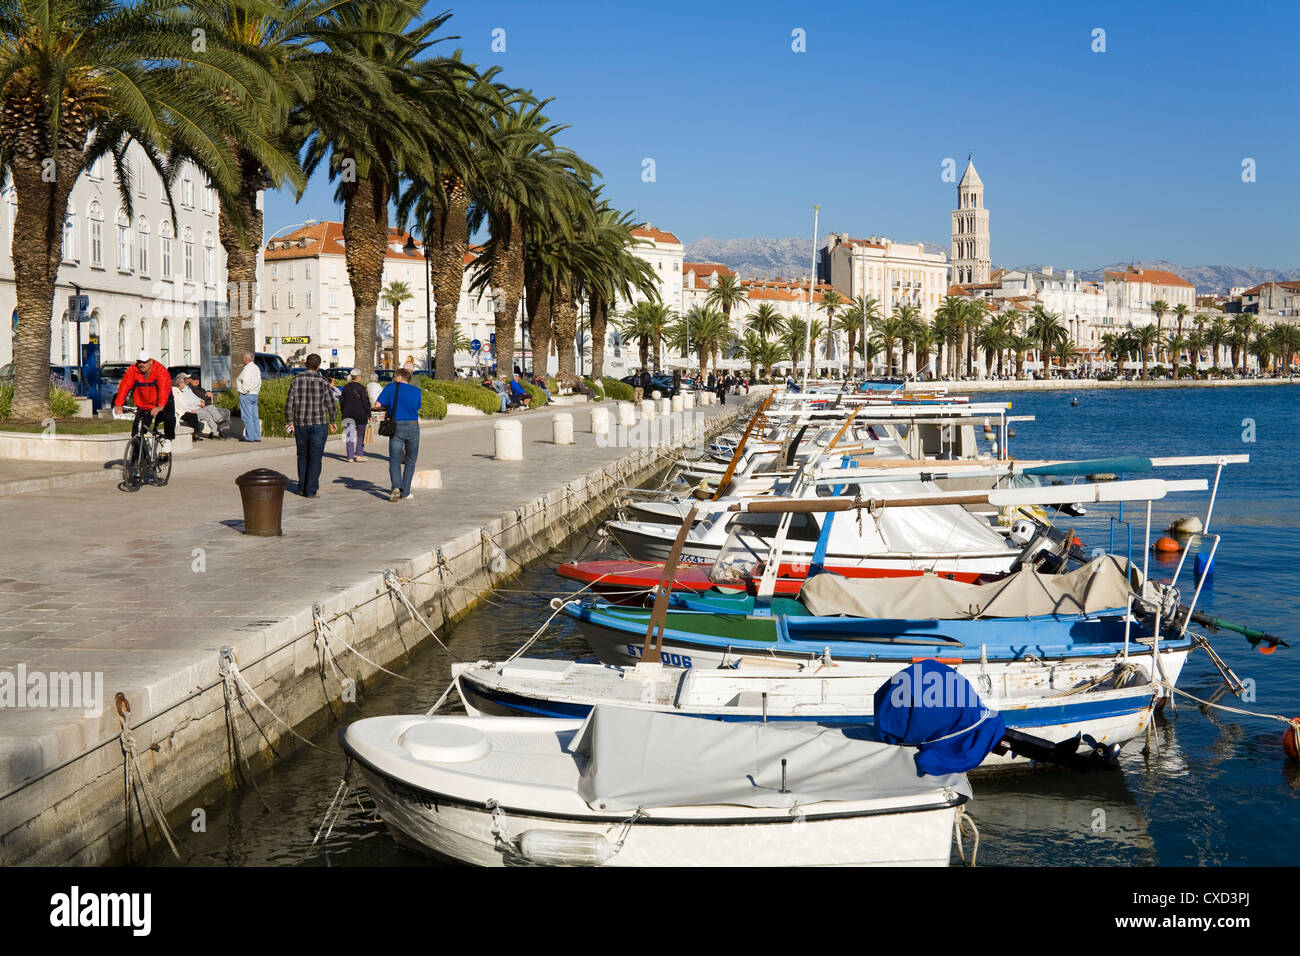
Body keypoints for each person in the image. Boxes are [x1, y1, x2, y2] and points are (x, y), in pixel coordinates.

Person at [284, 353, 337, 498]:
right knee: (315, 457)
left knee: (302, 456)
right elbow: (331, 404)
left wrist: (289, 422)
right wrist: (333, 421)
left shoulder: (296, 381)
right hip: (319, 424)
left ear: (305, 364)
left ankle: (301, 487)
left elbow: (289, 404)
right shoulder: (323, 382)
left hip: (300, 424)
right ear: (318, 366)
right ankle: (311, 490)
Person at [373, 367, 422, 501]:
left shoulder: (391, 387)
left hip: (397, 426)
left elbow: (377, 404)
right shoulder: (417, 391)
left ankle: (396, 486)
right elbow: (417, 407)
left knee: (394, 458)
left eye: (395, 376)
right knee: (410, 460)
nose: (394, 378)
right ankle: (405, 492)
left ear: (399, 377)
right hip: (413, 426)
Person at [114, 349, 176, 453]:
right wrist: (119, 404)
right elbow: (124, 386)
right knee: (137, 432)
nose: (141, 364)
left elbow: (164, 390)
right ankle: (136, 462)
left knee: (169, 417)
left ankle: (168, 440)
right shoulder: (133, 370)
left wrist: (160, 406)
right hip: (144, 403)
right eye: (139, 362)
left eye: (144, 362)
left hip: (162, 401)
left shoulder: (160, 371)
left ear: (151, 361)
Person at [339, 369, 371, 462]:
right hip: (360, 414)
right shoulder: (361, 388)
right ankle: (359, 455)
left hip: (348, 413)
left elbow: (342, 402)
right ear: (358, 377)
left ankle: (350, 457)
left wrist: (342, 411)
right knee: (360, 435)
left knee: (349, 435)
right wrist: (368, 413)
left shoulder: (345, 387)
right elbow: (365, 402)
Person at [236, 352, 261, 442]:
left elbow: (246, 381)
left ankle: (250, 437)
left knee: (247, 416)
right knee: (255, 416)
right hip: (255, 394)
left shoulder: (247, 369)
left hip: (247, 394)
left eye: (243, 358)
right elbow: (258, 381)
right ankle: (257, 436)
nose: (243, 360)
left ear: (247, 359)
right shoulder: (256, 368)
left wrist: (242, 391)